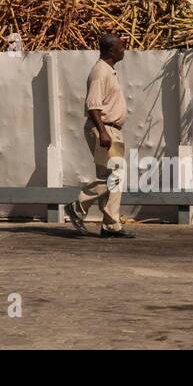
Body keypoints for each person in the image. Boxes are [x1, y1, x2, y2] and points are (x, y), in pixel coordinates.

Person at [64, 33, 135, 238]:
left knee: (111, 177)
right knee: (115, 174)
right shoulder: (99, 72)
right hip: (104, 128)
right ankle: (78, 206)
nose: (124, 50)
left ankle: (110, 225)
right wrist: (103, 132)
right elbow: (92, 106)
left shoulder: (108, 70)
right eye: (120, 48)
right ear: (111, 51)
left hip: (111, 129)